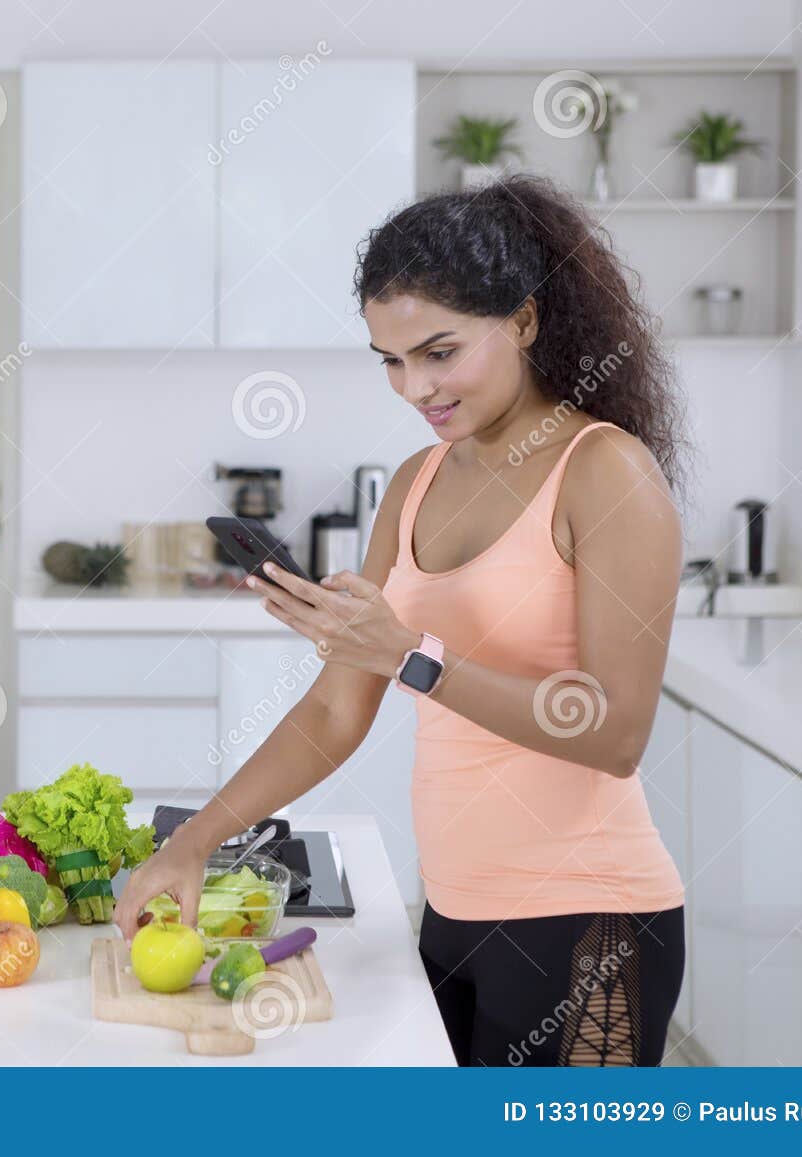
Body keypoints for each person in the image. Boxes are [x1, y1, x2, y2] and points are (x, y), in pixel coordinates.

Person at [115, 175, 690, 1067]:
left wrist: (410, 654)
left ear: (527, 322)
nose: (412, 385)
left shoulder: (604, 472)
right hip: (455, 915)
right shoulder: (418, 482)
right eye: (389, 358)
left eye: (439, 351)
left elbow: (613, 730)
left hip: (588, 919)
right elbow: (333, 713)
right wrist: (192, 842)